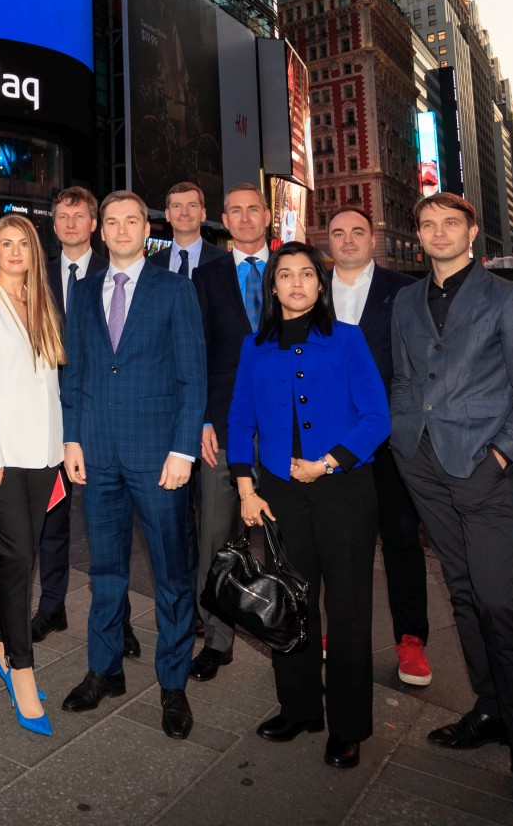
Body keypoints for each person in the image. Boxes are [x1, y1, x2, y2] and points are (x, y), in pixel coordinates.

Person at [388, 193, 513, 819]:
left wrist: (502, 459)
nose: (437, 232)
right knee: (459, 590)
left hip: (484, 468)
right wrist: (404, 440)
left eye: (449, 224)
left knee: (496, 603)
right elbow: (405, 379)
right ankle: (488, 707)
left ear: (472, 233)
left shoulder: (509, 300)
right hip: (423, 465)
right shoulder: (405, 300)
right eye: (427, 224)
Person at [229, 241, 390, 769]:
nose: (296, 283)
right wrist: (246, 489)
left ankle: (347, 725)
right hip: (279, 494)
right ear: (271, 287)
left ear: (320, 286)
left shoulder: (346, 339)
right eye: (285, 275)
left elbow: (376, 417)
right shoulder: (255, 345)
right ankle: (299, 707)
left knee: (346, 610)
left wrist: (329, 461)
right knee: (290, 605)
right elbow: (240, 421)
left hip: (343, 490)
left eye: (305, 275)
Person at [59, 190, 206, 742]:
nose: (121, 229)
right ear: (100, 231)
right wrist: (72, 440)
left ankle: (173, 683)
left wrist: (183, 450)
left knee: (170, 573)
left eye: (132, 220)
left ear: (149, 229)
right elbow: (72, 375)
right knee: (105, 572)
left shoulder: (175, 290)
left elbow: (193, 376)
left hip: (158, 456)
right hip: (97, 454)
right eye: (112, 221)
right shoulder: (82, 289)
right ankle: (105, 669)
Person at [0, 213, 66, 736]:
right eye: (6, 243)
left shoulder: (42, 302)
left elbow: (50, 386)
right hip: (0, 455)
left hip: (44, 453)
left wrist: (63, 450)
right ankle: (20, 670)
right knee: (21, 556)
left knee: (15, 557)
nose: (16, 250)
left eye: (23, 242)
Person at [326, 206, 433, 687]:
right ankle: (337, 633)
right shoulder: (308, 289)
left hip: (390, 441)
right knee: (336, 544)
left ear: (374, 239)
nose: (348, 240)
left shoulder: (405, 292)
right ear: (327, 241)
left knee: (401, 541)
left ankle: (411, 640)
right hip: (326, 442)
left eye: (357, 232)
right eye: (338, 233)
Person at [32, 186, 132, 655]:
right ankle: (52, 605)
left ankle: (118, 618)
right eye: (62, 216)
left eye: (80, 216)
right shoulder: (37, 273)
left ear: (95, 224)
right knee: (52, 518)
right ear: (53, 224)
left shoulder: (115, 271)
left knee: (108, 522)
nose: (70, 223)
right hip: (49, 416)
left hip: (102, 416)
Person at [185, 182, 272, 682]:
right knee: (215, 541)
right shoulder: (206, 275)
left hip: (287, 432)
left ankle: (293, 626)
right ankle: (218, 641)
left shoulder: (295, 268)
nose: (243, 218)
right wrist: (199, 420)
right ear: (223, 218)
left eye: (252, 210)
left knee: (293, 540)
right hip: (221, 429)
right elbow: (194, 355)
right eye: (234, 211)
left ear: (266, 216)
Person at [149, 181, 210, 277]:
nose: (184, 213)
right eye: (177, 206)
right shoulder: (150, 265)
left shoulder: (226, 262)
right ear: (167, 215)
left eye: (192, 206)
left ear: (203, 214)